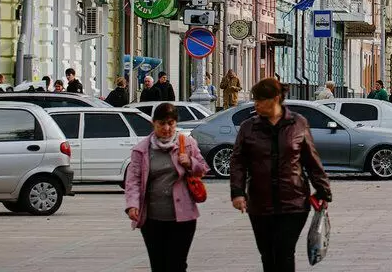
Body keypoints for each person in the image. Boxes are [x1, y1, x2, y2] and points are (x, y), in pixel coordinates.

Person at [230, 77, 332, 272]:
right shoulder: (248, 127)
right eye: (255, 100)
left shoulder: (298, 123)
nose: (256, 104)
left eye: (260, 100)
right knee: (267, 254)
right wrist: (237, 192)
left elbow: (311, 160)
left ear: (276, 98)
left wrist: (323, 191)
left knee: (284, 251)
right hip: (260, 202)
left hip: (293, 201)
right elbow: (238, 162)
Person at [124, 102, 209, 271]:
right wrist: (132, 205)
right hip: (152, 219)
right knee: (158, 264)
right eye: (161, 123)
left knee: (177, 263)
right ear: (153, 123)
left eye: (171, 123)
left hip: (183, 218)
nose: (167, 128)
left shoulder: (188, 143)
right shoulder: (141, 150)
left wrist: (190, 162)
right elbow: (133, 180)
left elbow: (203, 169)